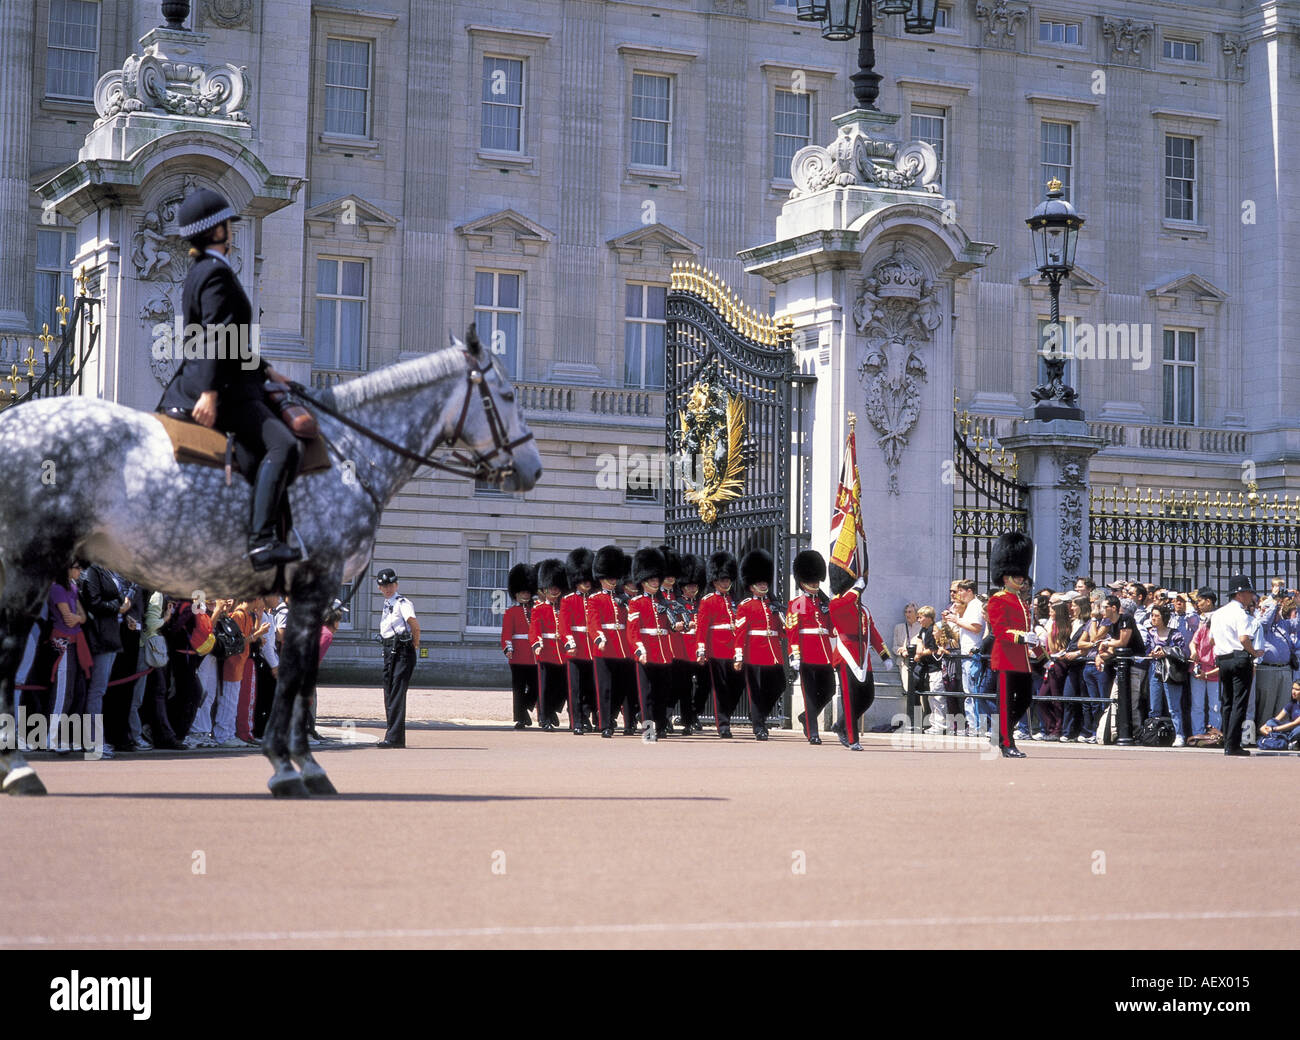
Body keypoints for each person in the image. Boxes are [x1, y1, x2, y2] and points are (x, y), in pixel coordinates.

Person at [157, 187, 302, 570]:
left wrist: (267, 370)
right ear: (215, 231)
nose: (232, 230)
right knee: (285, 446)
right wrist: (208, 392)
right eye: (226, 225)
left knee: (263, 447)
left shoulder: (202, 271)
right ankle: (261, 542)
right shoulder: (215, 273)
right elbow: (212, 334)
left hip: (231, 382)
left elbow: (233, 342)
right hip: (225, 391)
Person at [826, 562, 890, 750]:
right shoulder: (836, 603)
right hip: (845, 655)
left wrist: (884, 655)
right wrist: (855, 589)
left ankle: (841, 724)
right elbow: (844, 602)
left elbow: (873, 633)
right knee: (849, 697)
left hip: (863, 657)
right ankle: (852, 739)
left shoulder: (863, 610)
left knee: (867, 696)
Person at [985, 531, 1036, 758]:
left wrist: (1037, 646)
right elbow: (999, 631)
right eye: (1016, 575)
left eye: (1021, 575)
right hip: (1005, 657)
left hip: (1022, 659)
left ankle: (999, 733)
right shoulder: (998, 599)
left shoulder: (1021, 602)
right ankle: (1007, 742)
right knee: (1005, 703)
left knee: (1025, 699)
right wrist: (1023, 637)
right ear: (1005, 577)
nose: (1021, 579)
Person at [735, 550, 787, 741]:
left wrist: (785, 621)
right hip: (754, 653)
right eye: (760, 582)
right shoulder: (745, 605)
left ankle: (759, 716)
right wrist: (739, 655)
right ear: (752, 585)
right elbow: (740, 631)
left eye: (765, 582)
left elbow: (782, 631)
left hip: (773, 652)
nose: (764, 584)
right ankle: (759, 727)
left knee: (779, 684)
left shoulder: (774, 604)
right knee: (755, 691)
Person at [696, 550, 744, 739]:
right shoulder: (708, 601)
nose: (725, 583)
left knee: (737, 686)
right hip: (717, 649)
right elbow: (702, 627)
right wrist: (701, 649)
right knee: (721, 688)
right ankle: (723, 724)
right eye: (722, 580)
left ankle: (727, 716)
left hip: (735, 649)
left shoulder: (735, 599)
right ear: (714, 581)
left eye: (727, 579)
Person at [788, 550, 835, 745]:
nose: (816, 584)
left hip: (825, 653)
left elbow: (831, 629)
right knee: (809, 693)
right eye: (813, 581)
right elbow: (792, 630)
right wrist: (795, 655)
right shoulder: (798, 603)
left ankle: (805, 717)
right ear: (803, 582)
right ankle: (813, 732)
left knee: (829, 690)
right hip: (806, 653)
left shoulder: (824, 603)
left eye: (817, 581)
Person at [587, 546, 634, 738]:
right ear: (601, 578)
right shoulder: (595, 599)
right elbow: (592, 621)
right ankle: (605, 724)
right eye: (610, 577)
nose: (613, 580)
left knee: (621, 689)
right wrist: (599, 637)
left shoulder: (624, 599)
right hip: (604, 649)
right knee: (605, 689)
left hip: (623, 649)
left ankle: (621, 721)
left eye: (615, 577)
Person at [1209, 574, 1259, 756]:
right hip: (1239, 657)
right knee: (1240, 702)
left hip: (1223, 659)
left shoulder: (1218, 613)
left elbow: (1212, 640)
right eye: (1248, 593)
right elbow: (1244, 639)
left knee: (1227, 701)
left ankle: (1228, 743)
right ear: (1240, 594)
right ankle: (1233, 743)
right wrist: (1255, 652)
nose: (1251, 597)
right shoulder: (1240, 613)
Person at [628, 547, 672, 741]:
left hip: (662, 653)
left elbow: (669, 626)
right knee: (646, 695)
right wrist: (639, 650)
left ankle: (661, 726)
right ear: (644, 581)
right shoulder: (636, 603)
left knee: (661, 694)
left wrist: (678, 626)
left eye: (657, 579)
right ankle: (648, 730)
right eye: (652, 579)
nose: (655, 582)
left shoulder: (664, 602)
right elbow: (632, 630)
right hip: (646, 652)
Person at [376, 568, 419, 748]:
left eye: (391, 585)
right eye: (384, 586)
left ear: (396, 584)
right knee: (389, 692)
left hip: (401, 650)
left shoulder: (403, 602)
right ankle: (394, 736)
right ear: (379, 588)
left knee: (396, 694)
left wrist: (413, 645)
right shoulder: (388, 603)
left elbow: (414, 625)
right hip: (389, 649)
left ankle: (393, 738)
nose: (388, 588)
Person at [558, 548, 597, 735]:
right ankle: (577, 721)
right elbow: (564, 626)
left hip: (593, 648)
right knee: (575, 688)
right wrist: (570, 643)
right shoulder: (568, 600)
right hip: (576, 648)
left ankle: (586, 715)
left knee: (591, 688)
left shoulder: (594, 599)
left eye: (588, 579)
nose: (586, 583)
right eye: (582, 580)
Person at [529, 558, 567, 731]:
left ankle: (552, 710)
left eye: (556, 587)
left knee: (561, 688)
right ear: (545, 588)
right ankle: (544, 717)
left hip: (562, 652)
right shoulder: (539, 608)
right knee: (545, 687)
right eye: (551, 587)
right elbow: (535, 629)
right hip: (546, 651)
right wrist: (537, 643)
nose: (554, 590)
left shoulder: (563, 607)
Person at [945, 578, 987, 737]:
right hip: (966, 653)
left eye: (961, 591)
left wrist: (957, 620)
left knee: (972, 691)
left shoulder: (975, 605)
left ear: (969, 591)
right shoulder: (969, 606)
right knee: (968, 691)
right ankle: (973, 724)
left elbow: (976, 628)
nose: (958, 594)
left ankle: (977, 726)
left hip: (972, 654)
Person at [1251, 588, 1296, 734]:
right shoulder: (1260, 624)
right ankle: (1262, 733)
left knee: (1282, 704)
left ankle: (1279, 734)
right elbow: (1265, 621)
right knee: (1267, 703)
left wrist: (1298, 602)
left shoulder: (1284, 624)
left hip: (1285, 669)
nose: (1276, 612)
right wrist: (1274, 602)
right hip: (1267, 669)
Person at [673, 554, 708, 735]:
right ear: (683, 586)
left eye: (695, 585)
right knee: (685, 688)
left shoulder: (703, 603)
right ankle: (687, 720)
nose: (693, 588)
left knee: (705, 684)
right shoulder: (676, 604)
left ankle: (695, 712)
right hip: (683, 650)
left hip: (700, 649)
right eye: (689, 585)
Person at [501, 562, 538, 729]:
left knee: (536, 686)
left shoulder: (536, 609)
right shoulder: (511, 612)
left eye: (527, 591)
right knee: (518, 688)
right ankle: (520, 717)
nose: (525, 594)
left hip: (533, 655)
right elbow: (506, 634)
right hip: (518, 655)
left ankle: (525, 708)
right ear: (515, 594)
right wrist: (508, 648)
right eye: (522, 591)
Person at [1146, 603, 1188, 746]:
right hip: (1154, 670)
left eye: (1157, 616)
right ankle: (1153, 734)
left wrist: (1165, 651)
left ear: (1164, 617)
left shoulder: (1175, 634)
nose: (1154, 618)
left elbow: (1182, 651)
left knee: (1173, 706)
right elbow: (1146, 650)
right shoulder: (1150, 633)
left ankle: (1179, 734)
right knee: (1154, 705)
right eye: (1152, 615)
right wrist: (1151, 653)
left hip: (1170, 671)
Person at [1188, 588, 1221, 737]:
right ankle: (1198, 733)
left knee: (1215, 706)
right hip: (1199, 668)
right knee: (1197, 705)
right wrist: (1194, 651)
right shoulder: (1203, 628)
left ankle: (1214, 734)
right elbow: (1193, 642)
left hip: (1214, 671)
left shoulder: (1221, 630)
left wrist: (1207, 674)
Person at [1258, 681, 1300, 747]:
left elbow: (1294, 723)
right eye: (1293, 688)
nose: (1293, 692)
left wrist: (1273, 729)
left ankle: (1281, 739)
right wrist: (1263, 727)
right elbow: (1276, 719)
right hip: (1289, 730)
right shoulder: (1292, 703)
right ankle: (1283, 739)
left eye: (1297, 690)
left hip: (1295, 731)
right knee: (1270, 722)